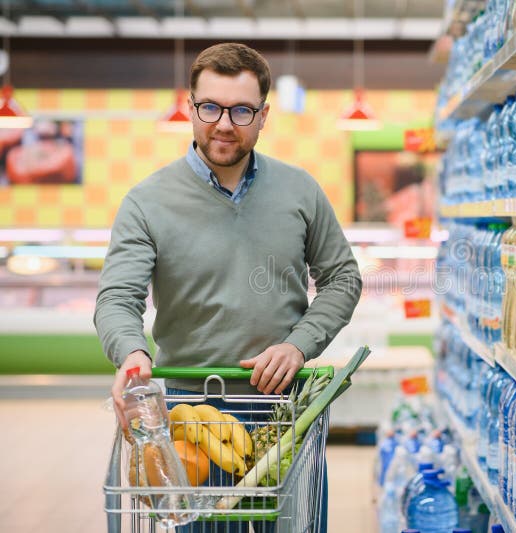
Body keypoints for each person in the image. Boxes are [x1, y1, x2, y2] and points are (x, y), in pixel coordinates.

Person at [95, 42, 362, 532]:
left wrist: (298, 346)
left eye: (241, 110)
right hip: (188, 414)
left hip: (283, 409)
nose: (223, 123)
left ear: (263, 116)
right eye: (210, 107)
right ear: (191, 106)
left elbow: (343, 278)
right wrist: (132, 353)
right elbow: (117, 298)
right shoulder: (147, 201)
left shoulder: (300, 190)